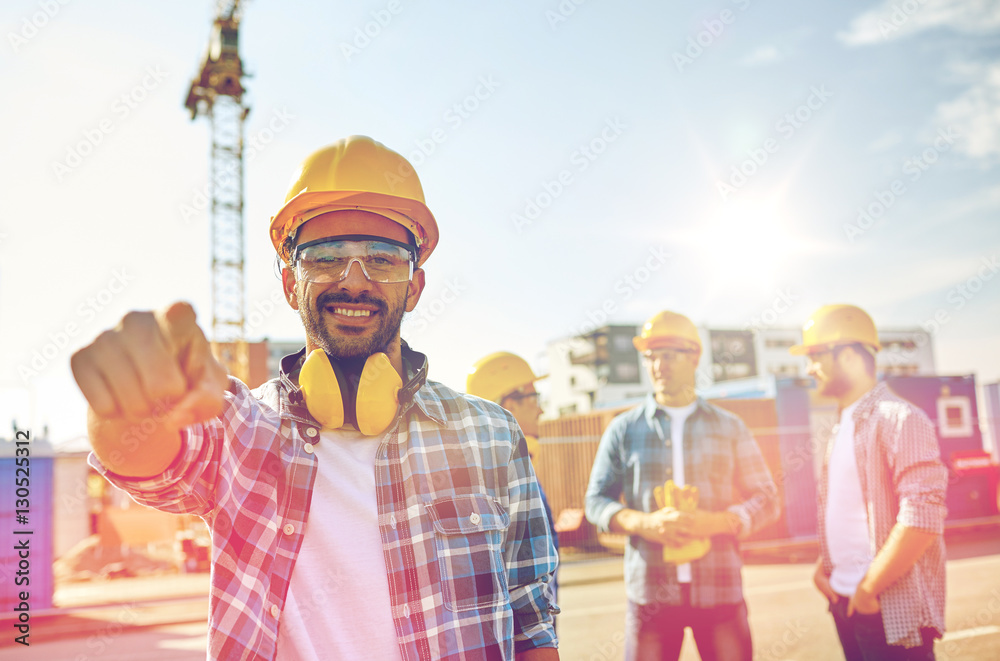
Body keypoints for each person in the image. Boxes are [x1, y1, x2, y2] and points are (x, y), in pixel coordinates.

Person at [70, 135, 559, 661]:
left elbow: (531, 618)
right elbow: (142, 460)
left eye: (383, 258)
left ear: (414, 286)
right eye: (325, 258)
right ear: (288, 283)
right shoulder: (241, 428)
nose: (355, 281)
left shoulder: (489, 434)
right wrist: (124, 408)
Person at [585, 310, 779, 661]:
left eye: (669, 355)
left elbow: (766, 499)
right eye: (651, 357)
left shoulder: (730, 427)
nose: (658, 366)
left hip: (720, 590)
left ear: (695, 357)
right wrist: (645, 523)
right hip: (651, 595)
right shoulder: (623, 429)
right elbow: (596, 501)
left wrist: (719, 522)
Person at [789, 304, 947, 661]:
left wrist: (869, 590)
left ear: (847, 355)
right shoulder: (842, 424)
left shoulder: (900, 418)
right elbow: (852, 510)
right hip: (845, 601)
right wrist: (824, 565)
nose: (809, 368)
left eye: (815, 355)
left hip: (884, 609)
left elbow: (922, 516)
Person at [467, 352, 560, 593]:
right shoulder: (500, 479)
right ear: (509, 406)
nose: (541, 411)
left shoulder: (499, 468)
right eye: (534, 398)